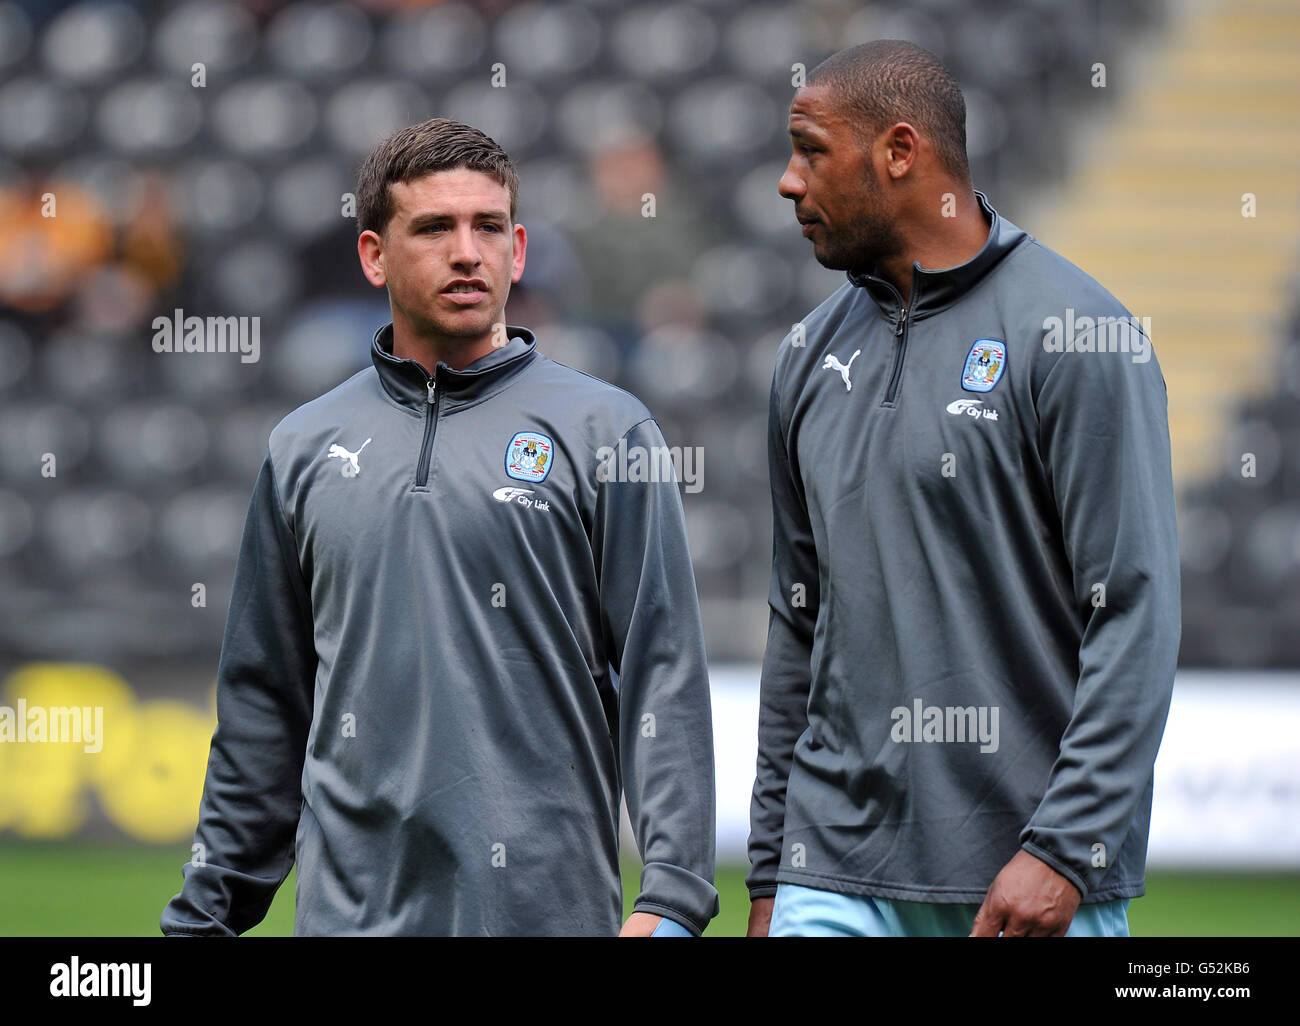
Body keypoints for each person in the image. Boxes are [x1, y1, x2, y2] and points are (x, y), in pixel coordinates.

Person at [161, 118, 718, 937]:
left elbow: (660, 671)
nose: (467, 252)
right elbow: (265, 706)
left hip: (544, 914)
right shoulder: (304, 447)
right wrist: (207, 913)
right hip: (348, 920)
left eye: (488, 227)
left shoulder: (609, 432)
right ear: (374, 256)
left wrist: (671, 897)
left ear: (519, 250)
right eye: (433, 228)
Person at [746, 41, 1180, 938]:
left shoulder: (1078, 335)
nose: (789, 182)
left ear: (901, 153)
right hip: (832, 872)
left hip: (1020, 879)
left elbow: (1134, 609)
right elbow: (799, 622)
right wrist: (769, 874)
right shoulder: (805, 357)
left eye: (811, 150)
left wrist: (1065, 848)